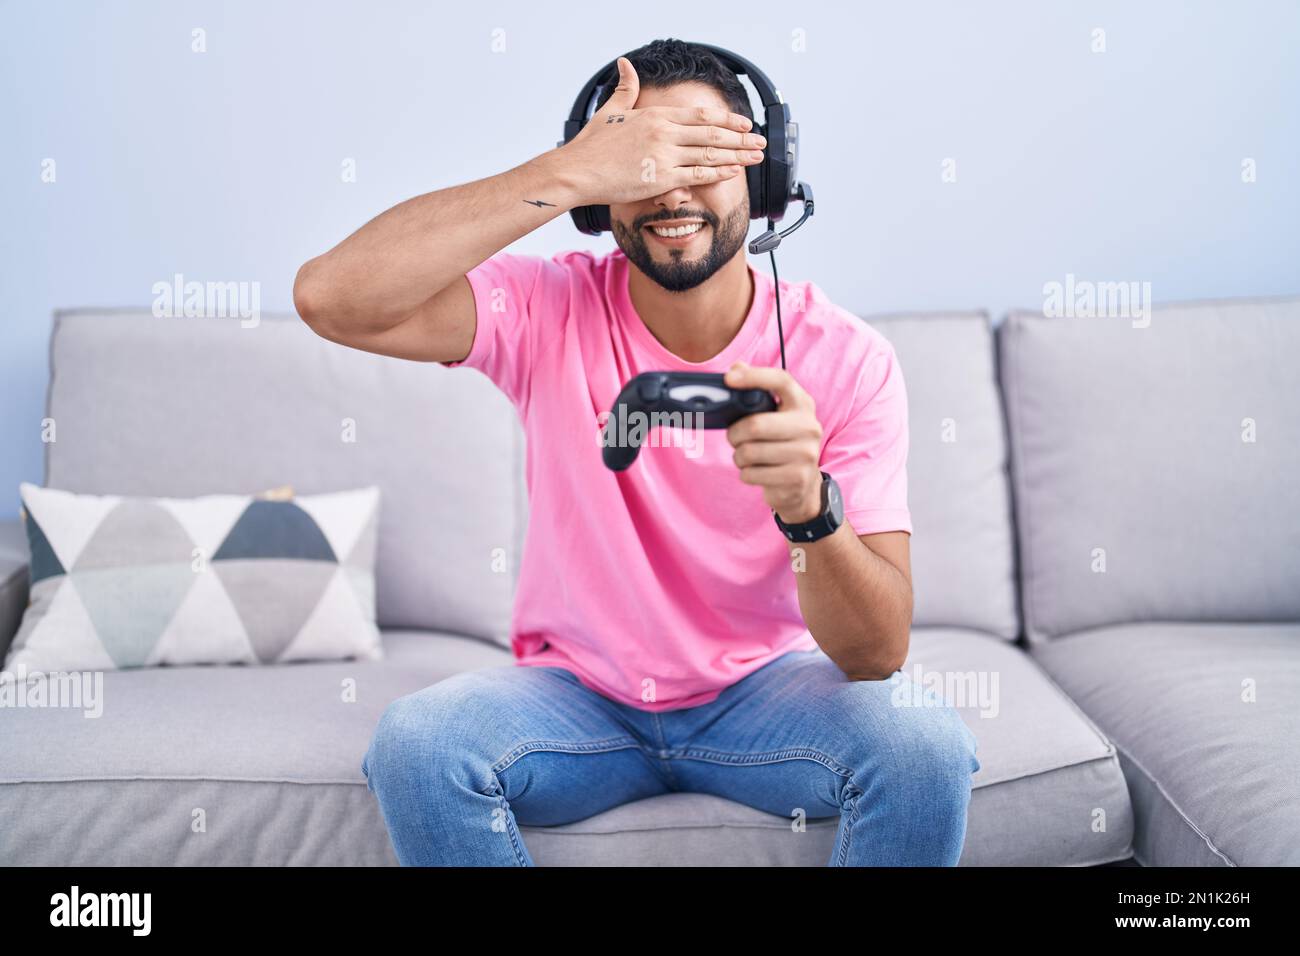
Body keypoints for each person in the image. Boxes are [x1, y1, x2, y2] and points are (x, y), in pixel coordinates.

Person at [293, 37, 980, 866]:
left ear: (764, 180)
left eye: (704, 153)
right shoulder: (548, 310)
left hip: (765, 694)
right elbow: (330, 299)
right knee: (417, 745)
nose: (671, 188)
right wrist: (567, 172)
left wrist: (809, 508)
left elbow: (876, 654)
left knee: (923, 747)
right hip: (578, 698)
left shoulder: (847, 359)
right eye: (644, 161)